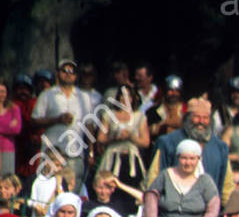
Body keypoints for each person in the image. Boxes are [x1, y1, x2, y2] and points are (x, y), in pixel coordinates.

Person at [29, 59, 95, 189]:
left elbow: (89, 125)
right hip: (52, 152)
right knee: (48, 189)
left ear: (76, 76)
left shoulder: (84, 97)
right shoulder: (47, 94)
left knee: (73, 190)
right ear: (58, 73)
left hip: (75, 153)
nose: (68, 74)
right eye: (65, 71)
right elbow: (34, 120)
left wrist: (91, 151)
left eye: (72, 71)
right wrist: (57, 119)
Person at [144, 138, 221, 217]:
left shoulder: (205, 181)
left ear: (198, 159)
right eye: (184, 158)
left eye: (192, 158)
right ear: (178, 158)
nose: (188, 162)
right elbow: (150, 201)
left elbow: (213, 210)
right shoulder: (165, 176)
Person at [146, 97, 228, 196]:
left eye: (205, 118)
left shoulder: (220, 147)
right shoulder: (167, 142)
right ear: (188, 118)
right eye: (196, 117)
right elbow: (153, 178)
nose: (201, 121)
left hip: (210, 208)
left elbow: (227, 186)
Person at [95, 84, 151, 192]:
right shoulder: (109, 114)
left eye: (128, 95)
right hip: (112, 157)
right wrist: (114, 138)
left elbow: (146, 142)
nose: (124, 98)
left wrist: (131, 136)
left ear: (132, 98)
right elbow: (100, 138)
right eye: (122, 95)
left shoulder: (139, 116)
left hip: (131, 159)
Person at [147, 74, 187, 139]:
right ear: (165, 91)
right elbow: (147, 130)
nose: (174, 93)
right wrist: (164, 126)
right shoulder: (153, 111)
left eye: (177, 90)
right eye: (170, 90)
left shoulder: (187, 109)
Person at [0, 79, 20, 176]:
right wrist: (7, 125)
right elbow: (11, 128)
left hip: (8, 149)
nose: (1, 94)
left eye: (3, 91)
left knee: (7, 179)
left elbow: (16, 129)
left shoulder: (14, 109)